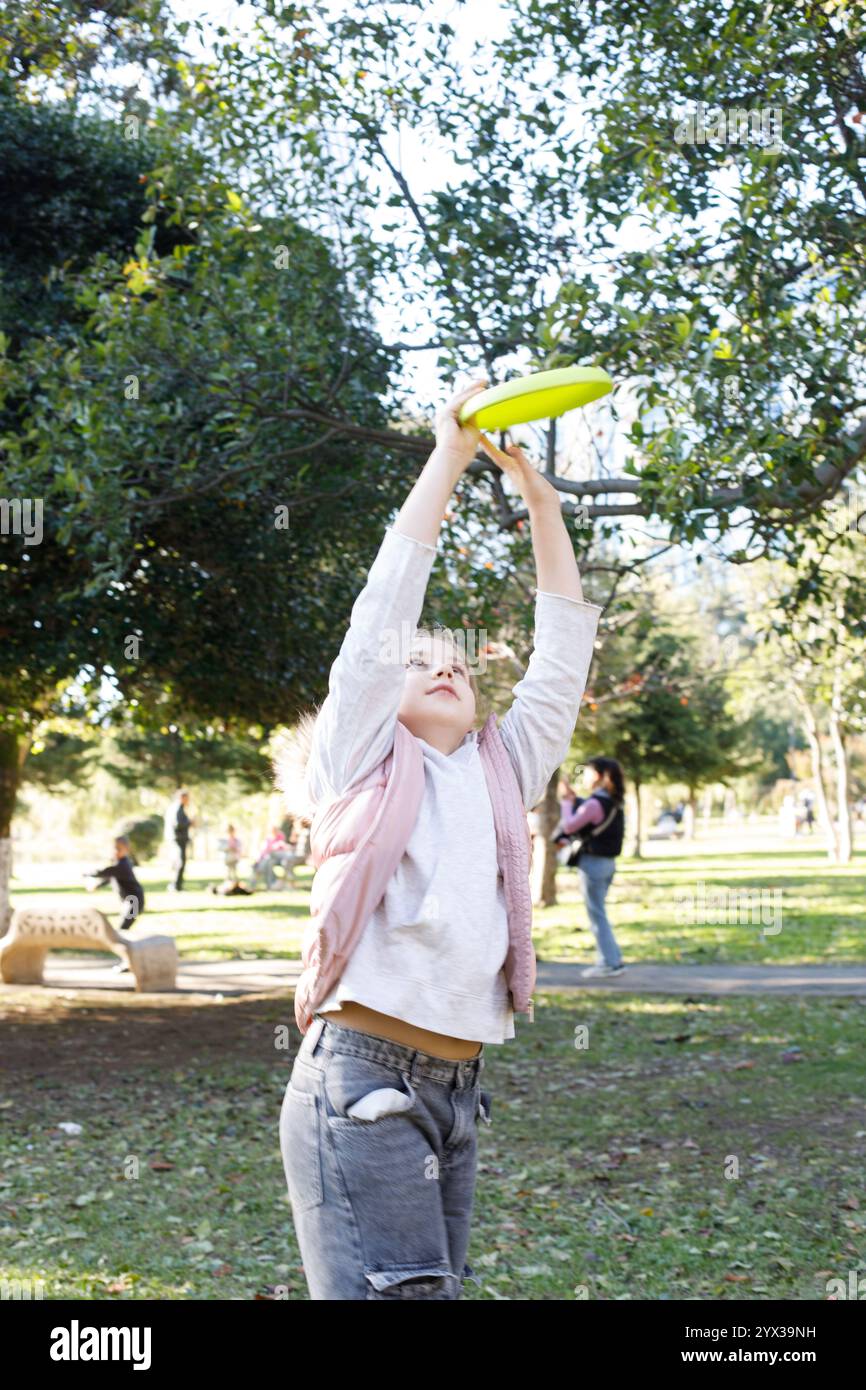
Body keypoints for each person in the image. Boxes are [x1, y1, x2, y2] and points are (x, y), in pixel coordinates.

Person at [275, 378, 603, 1300]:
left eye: (456, 655)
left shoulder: (504, 770)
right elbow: (384, 610)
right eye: (421, 660)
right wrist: (451, 455)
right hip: (361, 1082)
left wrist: (542, 501)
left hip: (458, 1089)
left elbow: (564, 649)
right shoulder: (360, 763)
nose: (444, 660)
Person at [554, 757, 626, 978]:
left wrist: (567, 801)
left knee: (596, 914)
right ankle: (611, 959)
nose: (583, 776)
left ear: (598, 775)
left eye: (586, 771)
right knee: (599, 912)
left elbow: (569, 825)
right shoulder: (612, 801)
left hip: (593, 864)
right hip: (608, 863)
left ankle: (610, 963)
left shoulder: (595, 803)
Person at [84, 835, 144, 974]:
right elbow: (109, 877)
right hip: (129, 902)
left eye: (119, 849)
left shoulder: (122, 865)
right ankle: (129, 961)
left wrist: (87, 874)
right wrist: (98, 885)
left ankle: (129, 961)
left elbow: (104, 872)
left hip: (134, 902)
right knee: (123, 931)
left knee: (122, 931)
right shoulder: (119, 865)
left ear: (126, 850)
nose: (116, 851)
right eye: (114, 849)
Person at [165, 788, 195, 891]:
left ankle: (177, 885)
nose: (188, 801)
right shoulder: (177, 808)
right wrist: (189, 823)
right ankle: (176, 885)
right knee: (180, 861)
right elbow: (177, 824)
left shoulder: (179, 808)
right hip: (178, 839)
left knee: (180, 861)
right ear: (182, 798)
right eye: (187, 798)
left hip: (179, 839)